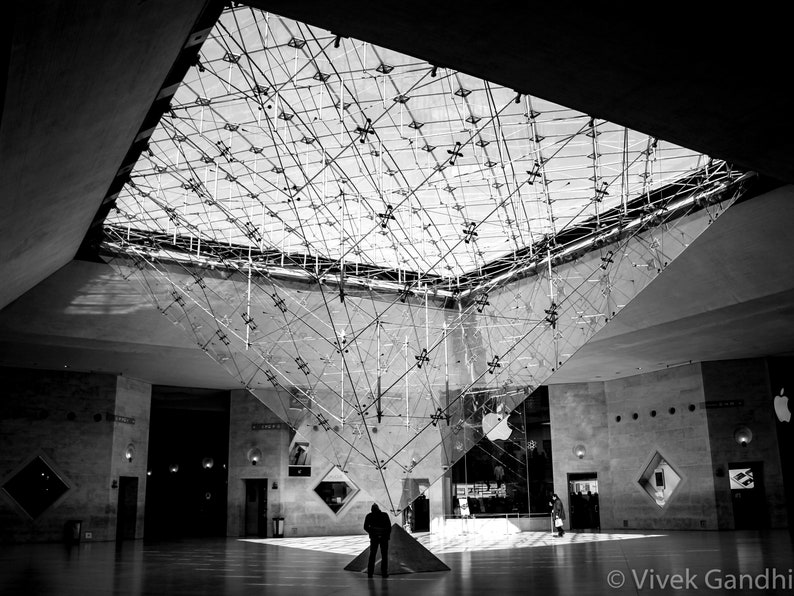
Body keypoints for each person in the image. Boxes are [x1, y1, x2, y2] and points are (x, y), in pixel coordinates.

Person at [364, 503, 392, 578]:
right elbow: (389, 527)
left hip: (374, 538)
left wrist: (372, 532)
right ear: (379, 508)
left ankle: (370, 573)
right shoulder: (384, 515)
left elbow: (365, 527)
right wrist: (384, 534)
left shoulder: (369, 516)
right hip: (384, 538)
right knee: (384, 555)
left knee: (372, 555)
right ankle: (384, 573)